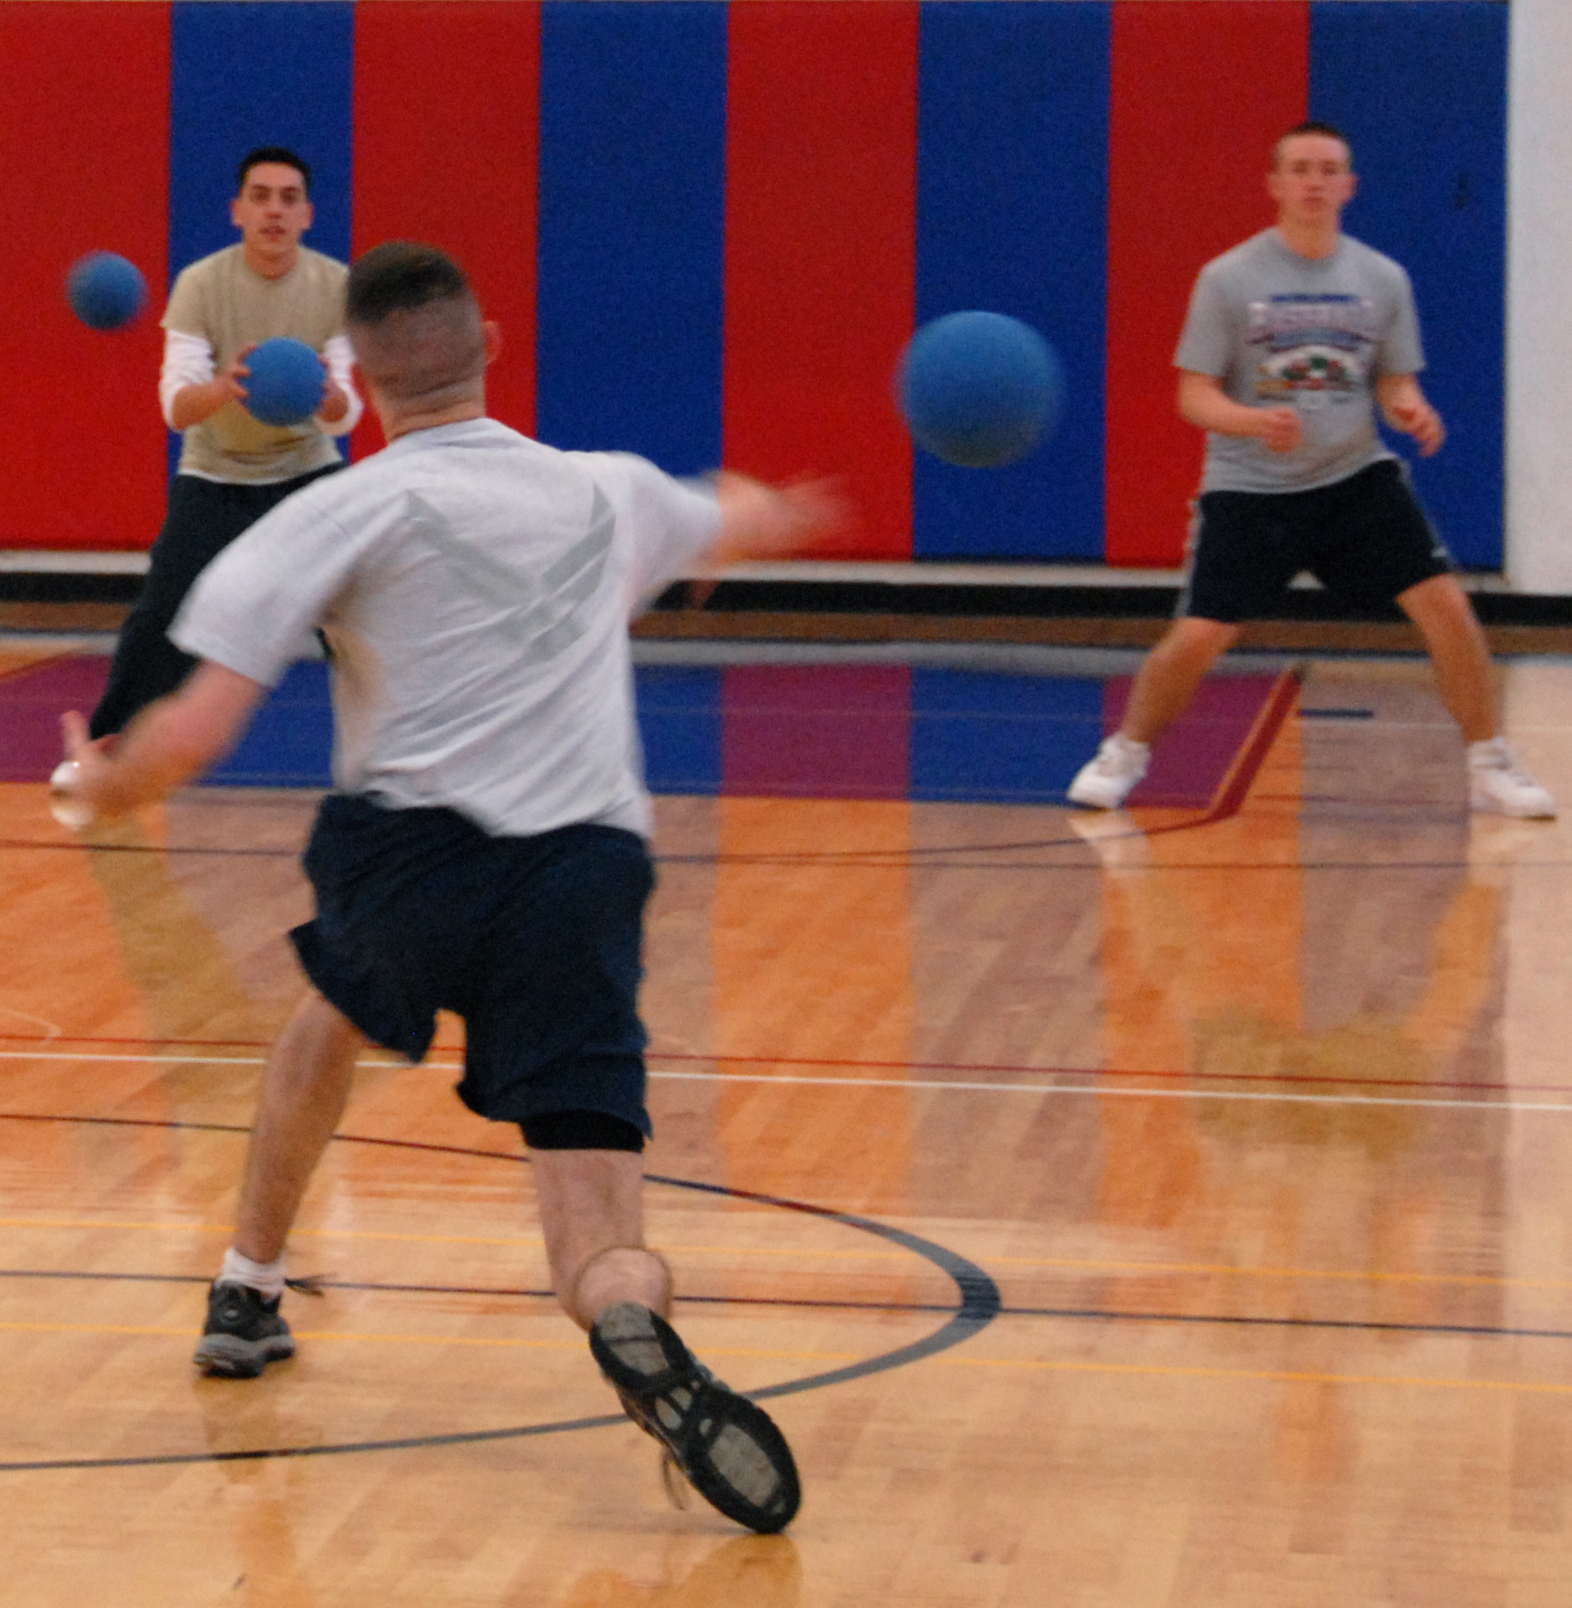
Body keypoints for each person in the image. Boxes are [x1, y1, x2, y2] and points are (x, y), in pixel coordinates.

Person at [55, 241, 836, 1535]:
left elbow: (190, 734)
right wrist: (780, 506)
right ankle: (626, 1313)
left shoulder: (336, 510)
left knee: (333, 1009)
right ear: (493, 343)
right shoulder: (609, 494)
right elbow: (741, 517)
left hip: (410, 863)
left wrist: (96, 783)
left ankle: (249, 1285)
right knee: (592, 1220)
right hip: (581, 877)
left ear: (354, 374)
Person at [1068, 121, 1554, 819]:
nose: (1315, 181)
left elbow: (1392, 380)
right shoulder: (1229, 279)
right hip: (1250, 488)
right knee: (1201, 633)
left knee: (1445, 605)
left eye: (1329, 169)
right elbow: (1193, 394)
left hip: (1354, 479)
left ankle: (1490, 763)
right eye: (1301, 168)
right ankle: (1126, 753)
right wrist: (1253, 421)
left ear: (1349, 185)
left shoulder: (1382, 279)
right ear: (1275, 184)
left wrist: (1411, 407)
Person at [89, 146, 362, 739]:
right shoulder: (200, 284)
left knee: (363, 611)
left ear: (307, 215)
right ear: (237, 211)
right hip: (215, 476)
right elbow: (176, 409)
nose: (274, 211)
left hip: (306, 473)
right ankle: (107, 747)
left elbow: (346, 416)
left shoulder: (336, 284)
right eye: (260, 197)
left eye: (289, 199)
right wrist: (225, 387)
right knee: (161, 617)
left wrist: (327, 396)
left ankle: (408, 746)